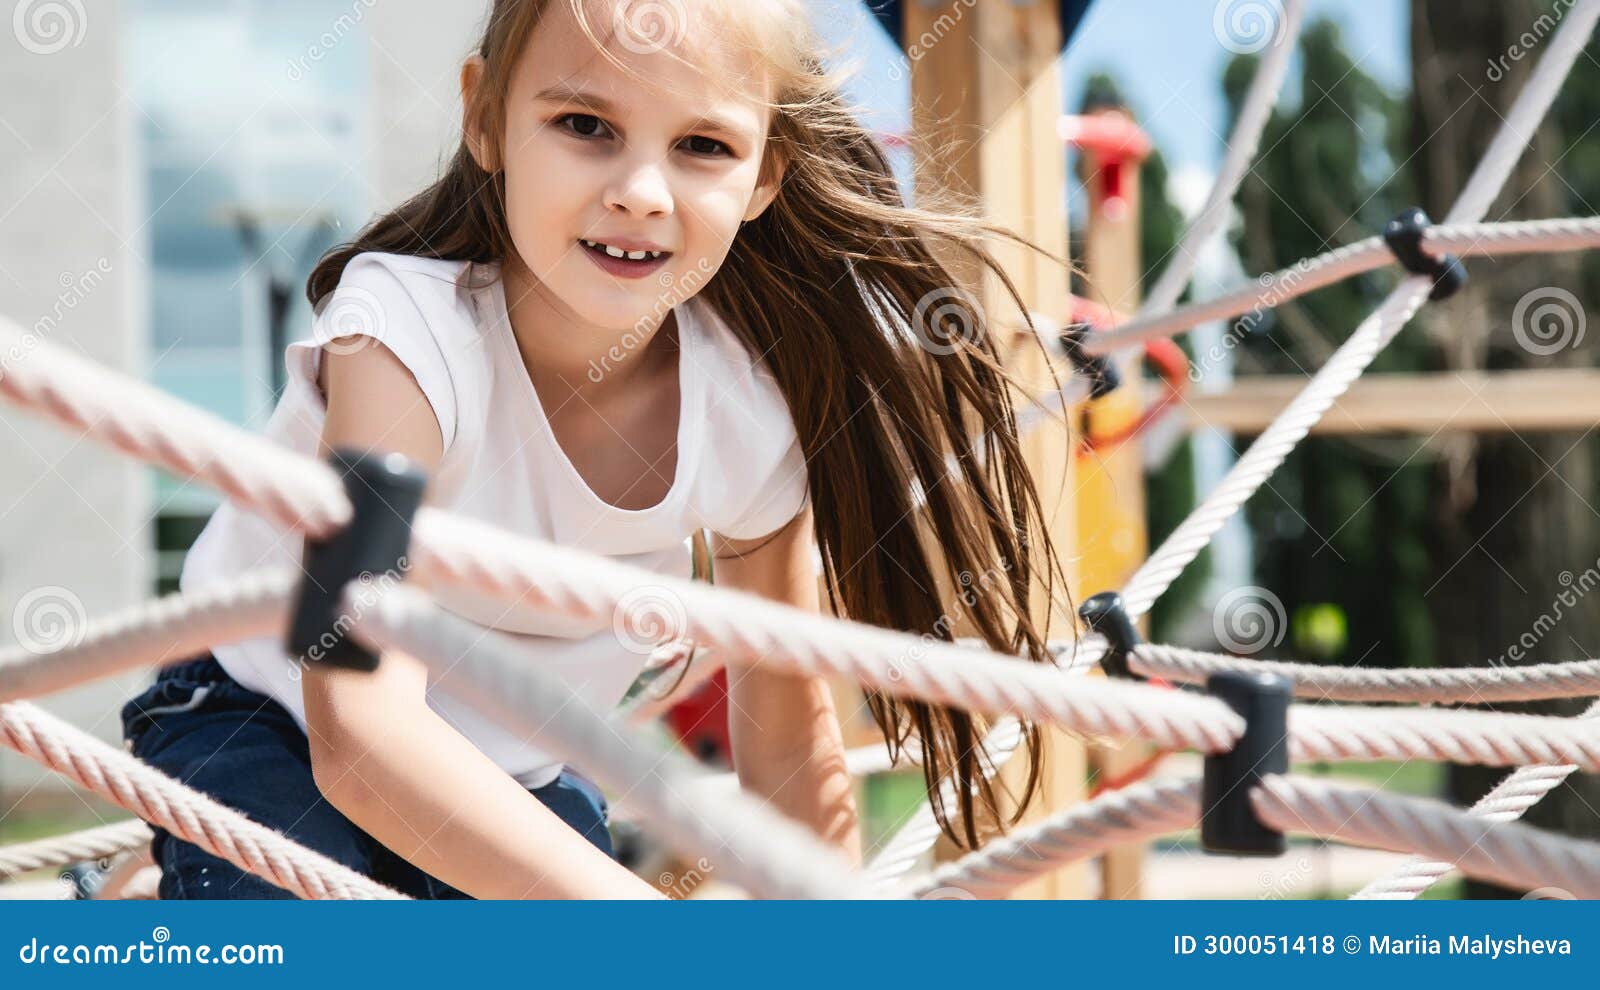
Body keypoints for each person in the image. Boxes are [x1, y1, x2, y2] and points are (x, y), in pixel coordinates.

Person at [120, 0, 1073, 899]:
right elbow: (360, 730)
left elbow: (786, 735)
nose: (640, 193)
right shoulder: (404, 343)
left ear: (766, 176)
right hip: (264, 721)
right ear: (485, 120)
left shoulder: (746, 411)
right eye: (586, 126)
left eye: (702, 146)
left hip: (521, 774)